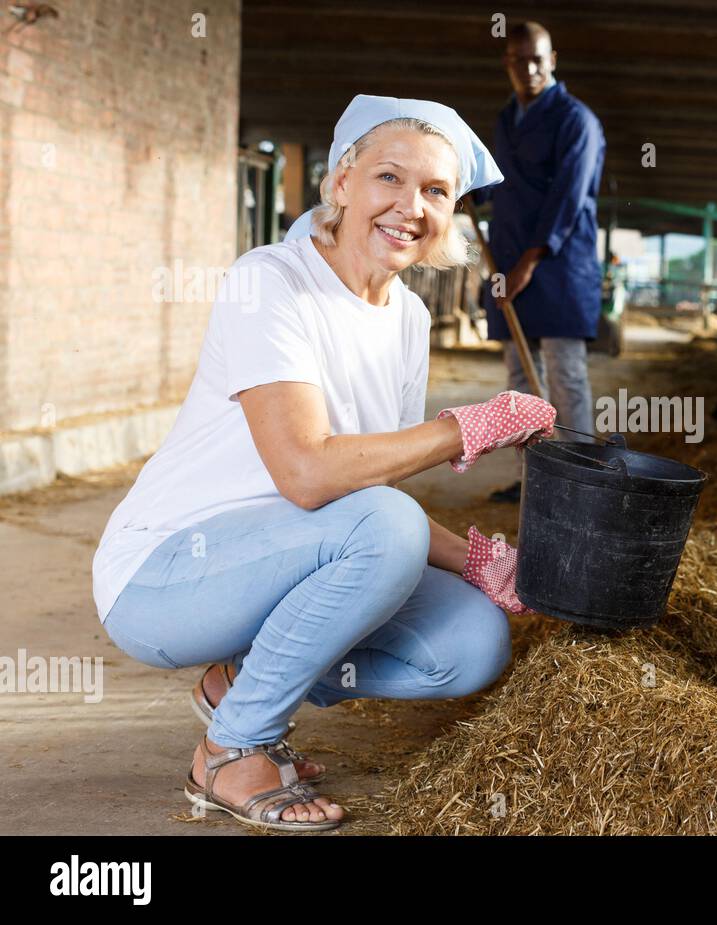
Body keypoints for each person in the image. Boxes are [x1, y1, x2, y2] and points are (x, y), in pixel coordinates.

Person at [91, 94, 557, 832]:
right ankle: (231, 749)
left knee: (472, 642)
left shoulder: (406, 317)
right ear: (341, 183)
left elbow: (369, 497)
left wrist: (478, 561)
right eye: (389, 178)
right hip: (167, 576)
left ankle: (240, 685)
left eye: (436, 191)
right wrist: (461, 428)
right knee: (385, 524)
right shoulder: (270, 281)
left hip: (282, 562)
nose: (411, 206)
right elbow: (309, 474)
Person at [477, 20, 606, 503]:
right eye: (518, 60)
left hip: (558, 264)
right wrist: (464, 190)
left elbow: (568, 199)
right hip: (509, 257)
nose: (529, 68)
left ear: (553, 60)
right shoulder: (506, 119)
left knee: (564, 371)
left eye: (538, 59)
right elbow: (497, 180)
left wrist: (530, 262)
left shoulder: (577, 120)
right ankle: (534, 481)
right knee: (519, 372)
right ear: (507, 64)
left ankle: (579, 482)